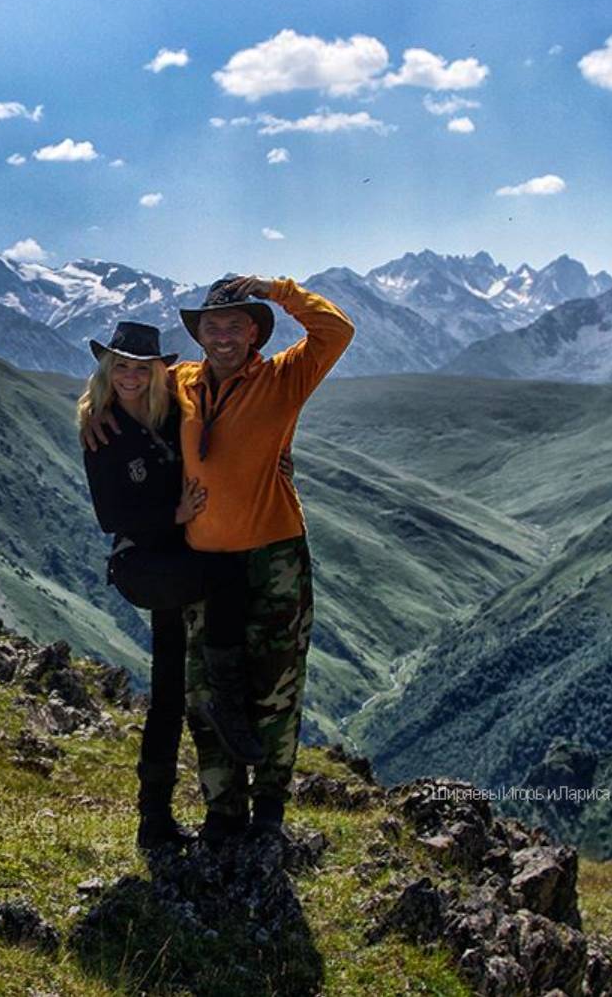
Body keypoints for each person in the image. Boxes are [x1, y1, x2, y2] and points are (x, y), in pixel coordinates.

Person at [88, 273, 355, 846]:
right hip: (203, 565)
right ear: (200, 334)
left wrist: (272, 286)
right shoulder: (181, 382)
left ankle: (269, 814)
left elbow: (335, 329)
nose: (224, 335)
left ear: (256, 333)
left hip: (274, 556)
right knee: (207, 696)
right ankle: (222, 814)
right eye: (213, 326)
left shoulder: (285, 377)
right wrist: (99, 410)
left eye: (237, 325)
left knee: (276, 687)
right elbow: (128, 380)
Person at [77, 321, 261, 852]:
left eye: (141, 367)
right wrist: (175, 512)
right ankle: (227, 697)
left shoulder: (170, 410)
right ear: (107, 369)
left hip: (174, 559)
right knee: (227, 574)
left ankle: (153, 820)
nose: (130, 376)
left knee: (166, 693)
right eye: (121, 366)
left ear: (157, 371)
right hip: (144, 564)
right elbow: (111, 515)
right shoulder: (102, 428)